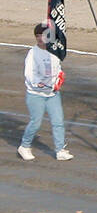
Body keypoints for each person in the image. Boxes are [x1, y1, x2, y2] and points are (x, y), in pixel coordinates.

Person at [18, 23, 72, 162]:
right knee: (36, 122)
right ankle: (25, 146)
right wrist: (37, 83)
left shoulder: (54, 52)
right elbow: (29, 74)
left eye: (43, 35)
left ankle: (60, 150)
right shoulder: (33, 53)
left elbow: (58, 68)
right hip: (36, 95)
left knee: (58, 122)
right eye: (37, 36)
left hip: (52, 94)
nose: (40, 39)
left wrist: (59, 78)